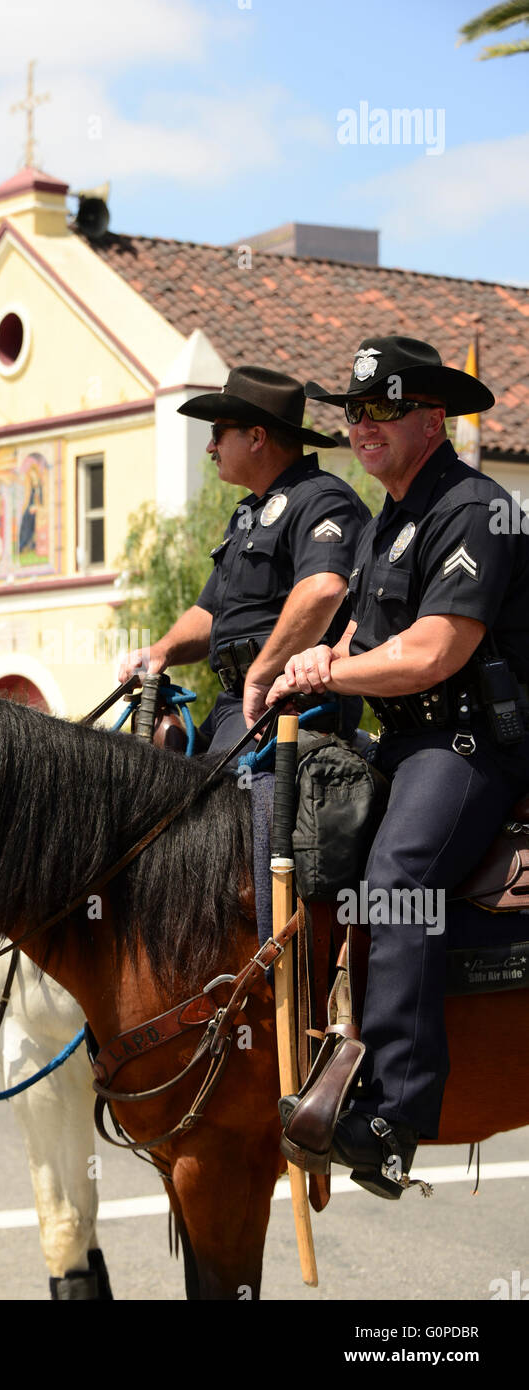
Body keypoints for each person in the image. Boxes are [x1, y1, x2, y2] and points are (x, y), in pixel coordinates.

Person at [267, 335, 529, 1197]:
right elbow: (365, 633)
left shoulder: (472, 507)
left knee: (397, 877)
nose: (361, 425)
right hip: (402, 740)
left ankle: (392, 1116)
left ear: (432, 417)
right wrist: (310, 664)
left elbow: (431, 652)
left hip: (467, 744)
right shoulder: (393, 518)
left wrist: (335, 668)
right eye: (352, 411)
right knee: (306, 843)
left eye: (381, 409)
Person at [118, 365, 370, 753]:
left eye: (217, 432)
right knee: (150, 759)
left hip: (288, 702)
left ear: (256, 437)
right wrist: (161, 651)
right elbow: (210, 611)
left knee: (209, 801)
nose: (210, 447)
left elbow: (324, 588)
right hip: (234, 703)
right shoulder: (246, 515)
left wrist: (260, 675)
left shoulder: (322, 499)